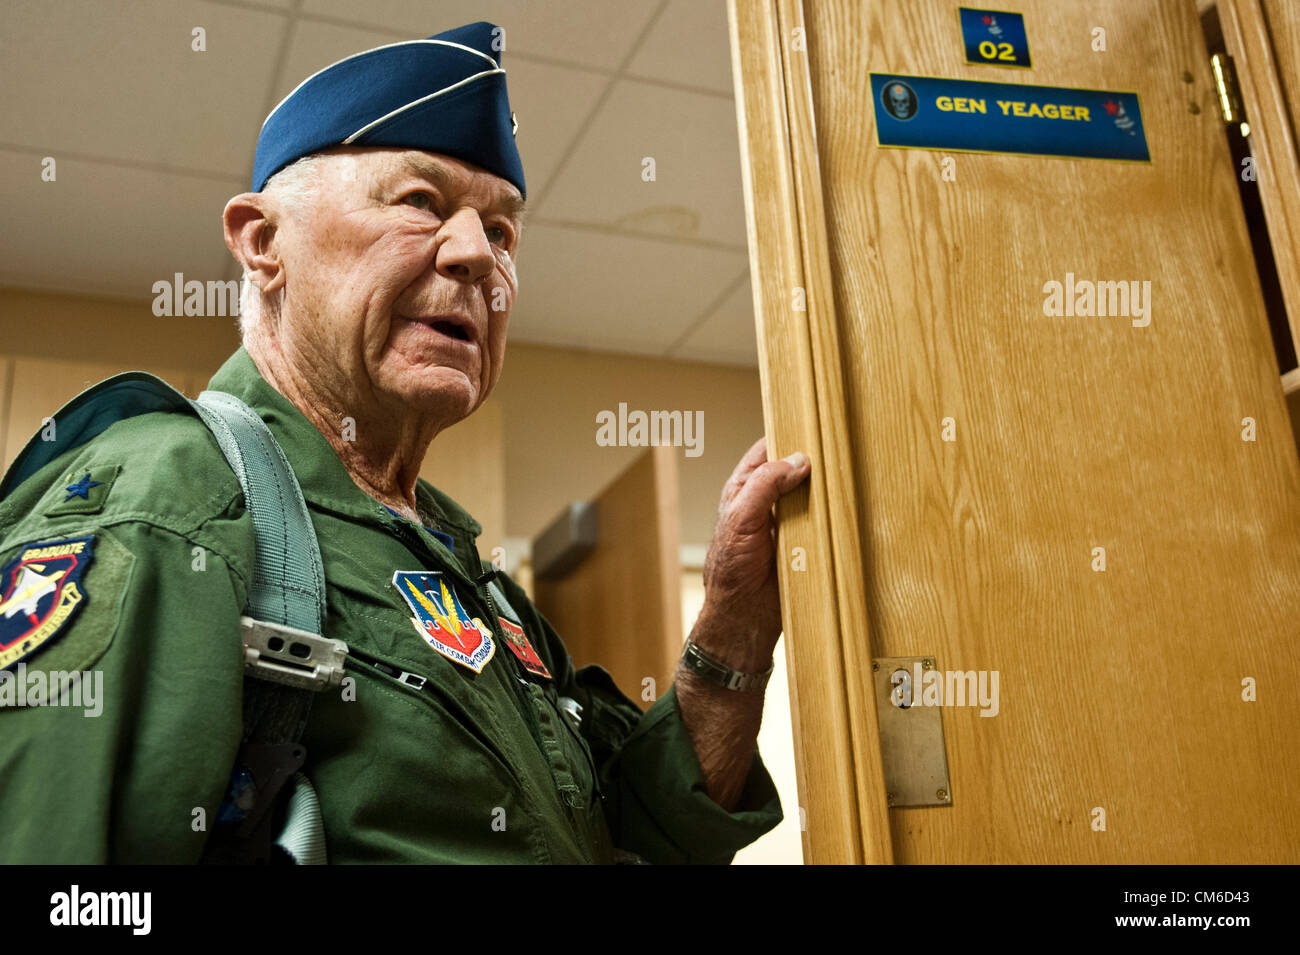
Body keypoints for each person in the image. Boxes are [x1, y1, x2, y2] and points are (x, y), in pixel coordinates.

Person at [0, 21, 811, 864]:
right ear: (263, 242)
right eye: (420, 202)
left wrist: (733, 623)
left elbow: (645, 832)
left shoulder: (476, 582)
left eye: (502, 232)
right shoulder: (173, 498)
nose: (475, 256)